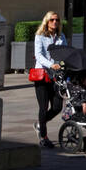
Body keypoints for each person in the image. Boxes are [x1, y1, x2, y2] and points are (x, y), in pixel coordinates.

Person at [31, 11, 66, 149]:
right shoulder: (40, 36)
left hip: (56, 76)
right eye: (52, 20)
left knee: (57, 106)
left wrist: (63, 65)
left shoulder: (61, 36)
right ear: (47, 21)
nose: (55, 22)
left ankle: (40, 123)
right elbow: (38, 55)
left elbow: (65, 52)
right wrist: (51, 64)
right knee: (43, 107)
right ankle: (44, 137)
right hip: (42, 75)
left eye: (57, 20)